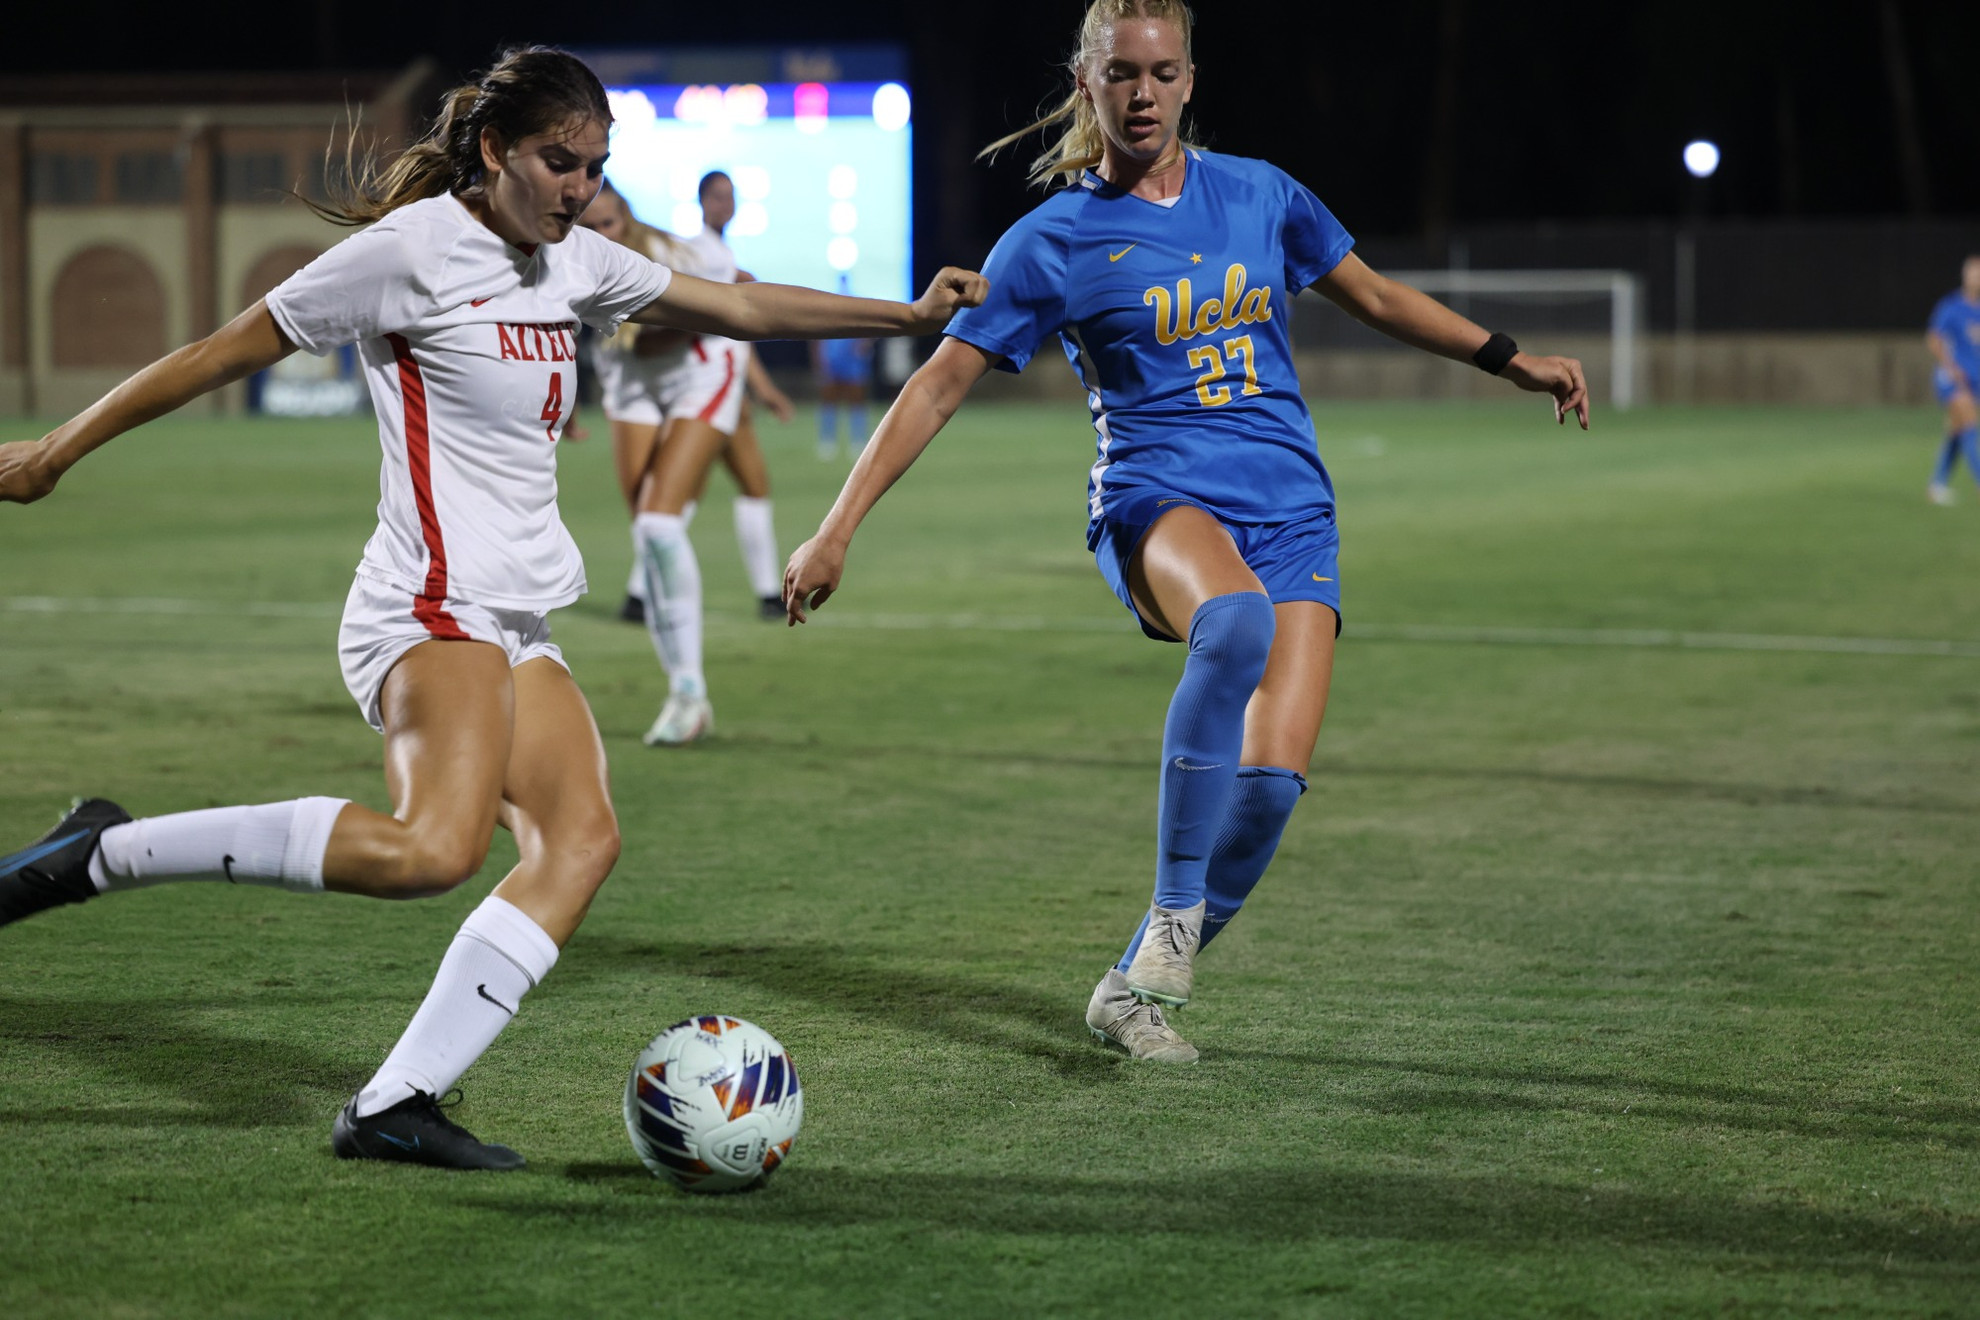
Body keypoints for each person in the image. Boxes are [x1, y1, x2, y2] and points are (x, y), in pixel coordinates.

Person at [0, 45, 984, 1167]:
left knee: (579, 840)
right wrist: (55, 451)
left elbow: (741, 307)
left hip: (514, 617)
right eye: (558, 163)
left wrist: (909, 317)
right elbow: (217, 353)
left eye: (594, 166)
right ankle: (102, 852)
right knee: (432, 851)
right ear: (493, 151)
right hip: (426, 606)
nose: (578, 187)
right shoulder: (408, 252)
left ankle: (393, 1104)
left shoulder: (574, 263)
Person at [782, 0, 1587, 1064]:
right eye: (1122, 74)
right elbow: (936, 388)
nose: (1144, 92)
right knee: (1236, 626)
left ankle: (1128, 990)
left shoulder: (1261, 194)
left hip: (1293, 510)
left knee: (1265, 798)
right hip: (1157, 503)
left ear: (1192, 80)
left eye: (1163, 73)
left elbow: (1374, 296)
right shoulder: (1054, 239)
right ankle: (1172, 920)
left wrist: (1509, 358)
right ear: (1088, 86)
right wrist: (836, 530)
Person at [621, 171, 799, 744]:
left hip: (714, 385)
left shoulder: (699, 256)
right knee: (660, 514)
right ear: (702, 202)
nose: (725, 204)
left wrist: (765, 391)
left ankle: (760, 602)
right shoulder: (683, 254)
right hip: (666, 388)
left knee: (693, 502)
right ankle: (650, 600)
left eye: (730, 196)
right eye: (717, 196)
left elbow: (740, 317)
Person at [576, 182, 793, 637]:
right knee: (648, 516)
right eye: (589, 226)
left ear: (627, 219)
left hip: (699, 378)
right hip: (631, 383)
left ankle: (741, 609)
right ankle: (646, 599)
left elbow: (743, 291)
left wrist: (758, 382)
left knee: (672, 512)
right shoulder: (569, 257)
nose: (601, 234)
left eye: (609, 223)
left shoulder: (672, 253)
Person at [1926, 256, 1980, 506]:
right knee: (1969, 425)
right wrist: (1951, 367)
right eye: (1972, 272)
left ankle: (1936, 485)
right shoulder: (1951, 306)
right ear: (1964, 275)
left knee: (1956, 432)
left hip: (1975, 381)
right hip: (1953, 379)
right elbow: (1934, 339)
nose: (1975, 277)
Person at [812, 328, 875, 461]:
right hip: (831, 351)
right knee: (829, 398)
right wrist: (818, 356)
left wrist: (866, 343)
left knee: (857, 398)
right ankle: (827, 441)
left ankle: (858, 440)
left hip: (853, 352)